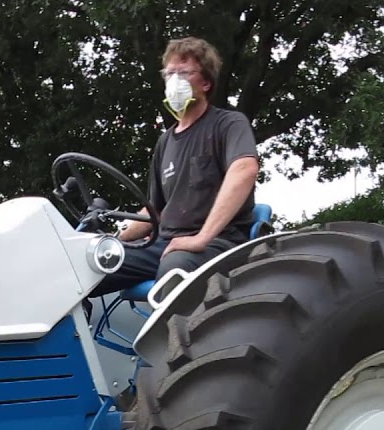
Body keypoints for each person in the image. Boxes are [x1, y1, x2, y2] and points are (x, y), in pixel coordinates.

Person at [89, 36, 260, 299]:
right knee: (86, 267)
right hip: (163, 244)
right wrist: (113, 239)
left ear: (205, 82)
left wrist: (200, 238)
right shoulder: (165, 141)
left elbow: (244, 169)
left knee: (175, 267)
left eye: (184, 72)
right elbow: (154, 209)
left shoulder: (229, 123)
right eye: (169, 73)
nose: (174, 80)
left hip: (217, 244)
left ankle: (178, 340)